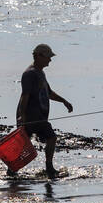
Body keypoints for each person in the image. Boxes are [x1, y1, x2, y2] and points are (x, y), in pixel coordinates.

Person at [17, 43, 72, 179]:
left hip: (40, 116)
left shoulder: (40, 73)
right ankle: (14, 169)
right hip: (30, 117)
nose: (50, 60)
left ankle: (48, 167)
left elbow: (48, 93)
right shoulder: (29, 74)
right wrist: (22, 117)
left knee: (48, 138)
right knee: (27, 144)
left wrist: (64, 101)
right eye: (48, 57)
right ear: (38, 56)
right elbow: (25, 95)